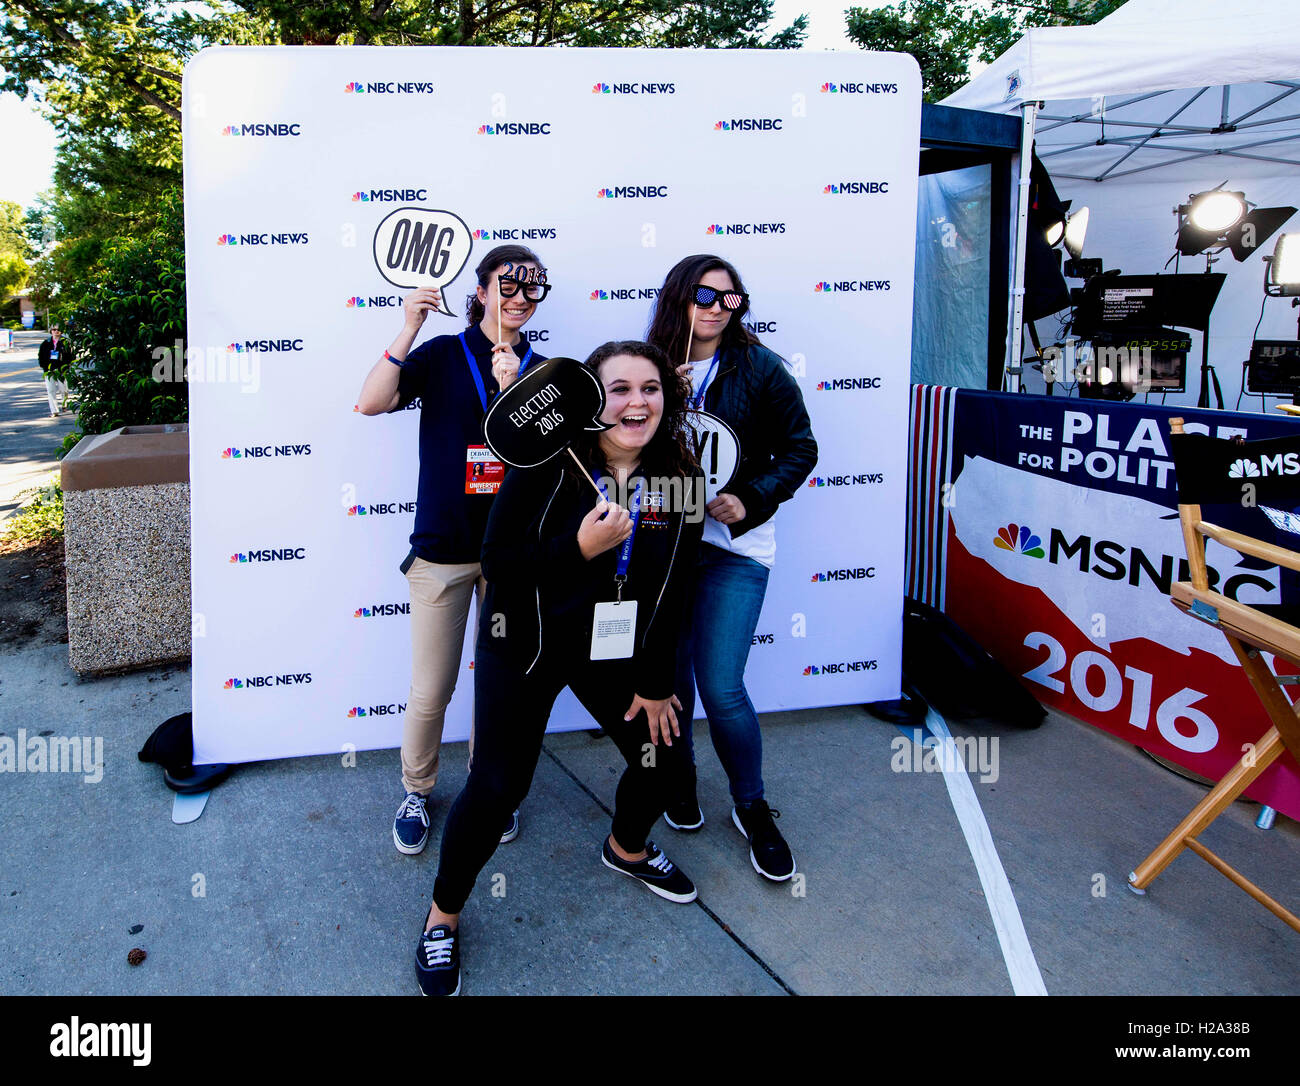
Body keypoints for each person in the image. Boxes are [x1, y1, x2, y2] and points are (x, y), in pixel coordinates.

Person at [415, 340, 705, 997]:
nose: (639, 401)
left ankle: (627, 847)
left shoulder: (681, 476)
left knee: (668, 761)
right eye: (621, 388)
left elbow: (673, 588)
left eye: (651, 387)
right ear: (594, 400)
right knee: (496, 790)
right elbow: (501, 563)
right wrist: (578, 546)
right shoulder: (547, 461)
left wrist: (657, 682)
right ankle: (443, 914)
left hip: (611, 649)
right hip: (526, 642)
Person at [356, 244, 551, 856]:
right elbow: (372, 401)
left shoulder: (544, 370)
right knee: (431, 687)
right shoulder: (442, 354)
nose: (519, 298)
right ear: (481, 290)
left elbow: (553, 461)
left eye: (532, 289)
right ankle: (417, 789)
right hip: (443, 550)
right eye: (508, 285)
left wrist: (515, 390)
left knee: (500, 687)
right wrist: (409, 325)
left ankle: (488, 790)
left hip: (512, 553)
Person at [646, 254, 817, 882]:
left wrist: (750, 498)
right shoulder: (651, 364)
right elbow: (613, 440)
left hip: (733, 549)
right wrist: (666, 397)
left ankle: (752, 806)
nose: (717, 307)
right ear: (679, 298)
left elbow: (802, 447)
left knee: (720, 687)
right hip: (668, 546)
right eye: (704, 295)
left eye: (729, 298)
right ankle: (682, 781)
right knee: (673, 684)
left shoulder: (760, 365)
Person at [38, 326, 70, 417]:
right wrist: (45, 367)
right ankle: (54, 411)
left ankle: (64, 404)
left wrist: (66, 367)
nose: (56, 331)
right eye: (54, 330)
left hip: (61, 370)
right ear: (51, 331)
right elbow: (41, 356)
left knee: (63, 389)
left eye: (58, 330)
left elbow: (70, 356)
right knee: (51, 390)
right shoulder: (45, 343)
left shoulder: (65, 342)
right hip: (49, 370)